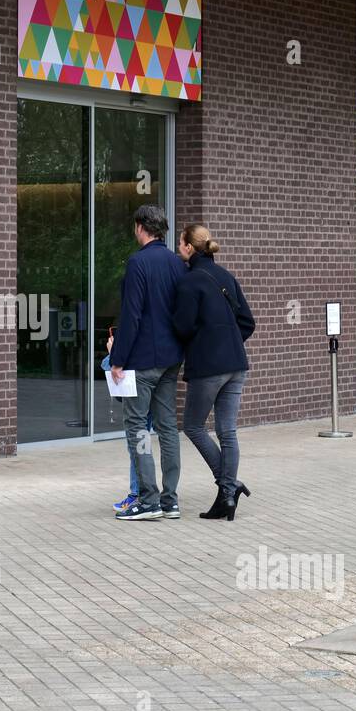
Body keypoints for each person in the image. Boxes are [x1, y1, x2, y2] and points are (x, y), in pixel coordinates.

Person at [109, 204, 187, 522]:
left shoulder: (138, 262)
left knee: (137, 427)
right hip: (171, 359)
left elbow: (132, 315)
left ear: (141, 227)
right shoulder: (178, 264)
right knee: (168, 428)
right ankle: (170, 500)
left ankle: (148, 499)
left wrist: (118, 358)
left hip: (142, 361)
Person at [172, 225, 256, 521]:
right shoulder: (226, 277)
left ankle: (228, 486)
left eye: (180, 242)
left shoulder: (189, 282)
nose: (178, 246)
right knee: (227, 431)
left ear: (189, 248)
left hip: (209, 366)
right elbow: (247, 322)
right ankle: (227, 495)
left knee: (193, 427)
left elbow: (181, 327)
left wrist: (208, 344)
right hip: (236, 364)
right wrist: (228, 343)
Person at [102, 333, 151, 512]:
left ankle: (138, 493)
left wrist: (113, 353)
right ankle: (156, 494)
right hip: (153, 397)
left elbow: (115, 371)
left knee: (137, 447)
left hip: (139, 401)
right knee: (143, 444)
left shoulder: (137, 346)